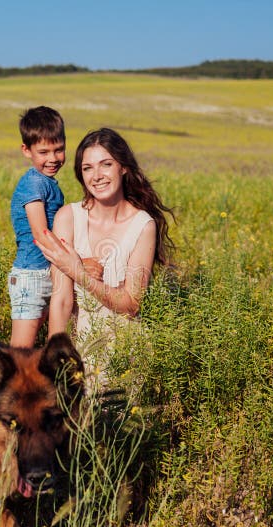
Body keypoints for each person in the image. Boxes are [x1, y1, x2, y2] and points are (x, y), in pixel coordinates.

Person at [35, 128, 174, 378]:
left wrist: (76, 269)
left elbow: (130, 304)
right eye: (88, 168)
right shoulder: (68, 217)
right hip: (78, 351)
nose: (97, 176)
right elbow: (61, 301)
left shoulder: (142, 226)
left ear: (123, 167)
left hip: (124, 355)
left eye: (106, 164)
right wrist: (54, 362)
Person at [7, 106, 68, 348]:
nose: (52, 159)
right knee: (21, 349)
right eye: (43, 152)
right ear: (26, 150)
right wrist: (78, 265)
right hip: (31, 276)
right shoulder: (33, 184)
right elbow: (41, 235)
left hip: (47, 271)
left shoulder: (47, 183)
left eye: (59, 149)